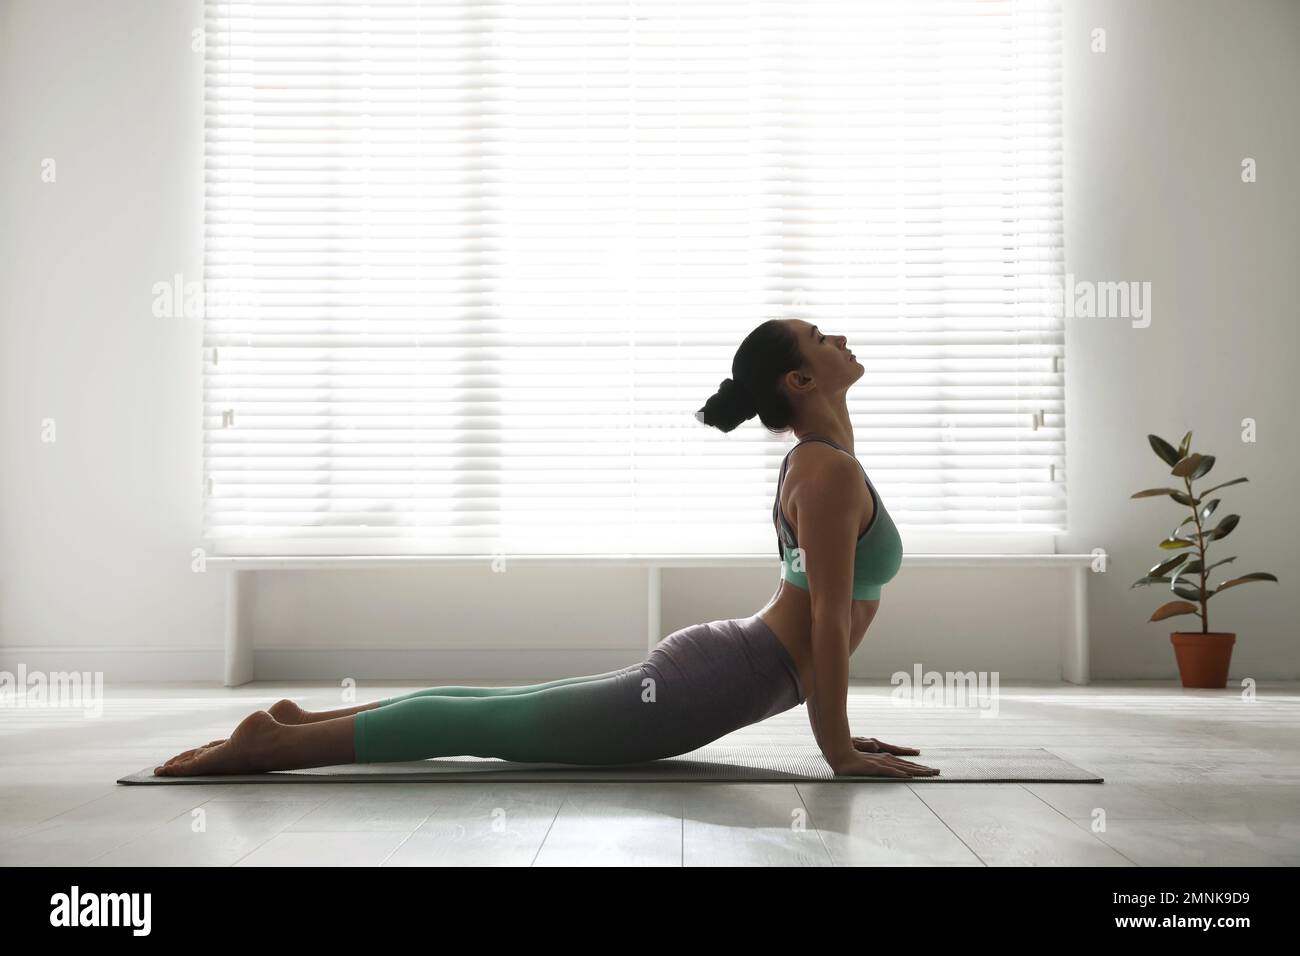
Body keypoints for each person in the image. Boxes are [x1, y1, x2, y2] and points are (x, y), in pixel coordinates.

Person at [156, 318, 937, 778]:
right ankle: (272, 746)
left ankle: (297, 721)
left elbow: (825, 617)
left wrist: (835, 730)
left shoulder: (824, 463)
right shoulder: (827, 473)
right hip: (715, 681)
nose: (838, 336)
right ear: (801, 380)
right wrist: (836, 749)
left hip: (728, 664)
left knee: (504, 712)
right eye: (819, 334)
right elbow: (829, 622)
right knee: (493, 728)